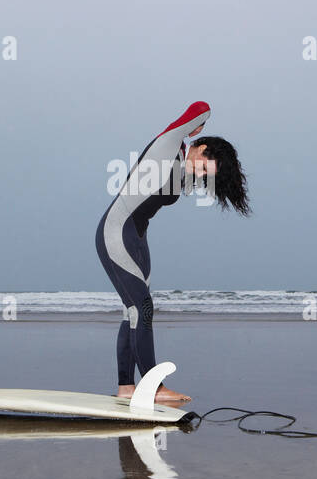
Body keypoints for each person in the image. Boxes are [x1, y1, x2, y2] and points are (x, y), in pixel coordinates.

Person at [94, 101, 250, 404]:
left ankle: (126, 387)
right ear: (199, 146)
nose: (201, 173)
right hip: (116, 231)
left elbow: (204, 180)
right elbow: (199, 108)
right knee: (144, 310)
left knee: (134, 312)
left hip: (137, 238)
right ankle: (154, 387)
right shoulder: (169, 144)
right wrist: (198, 124)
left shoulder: (185, 172)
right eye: (204, 165)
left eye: (207, 174)